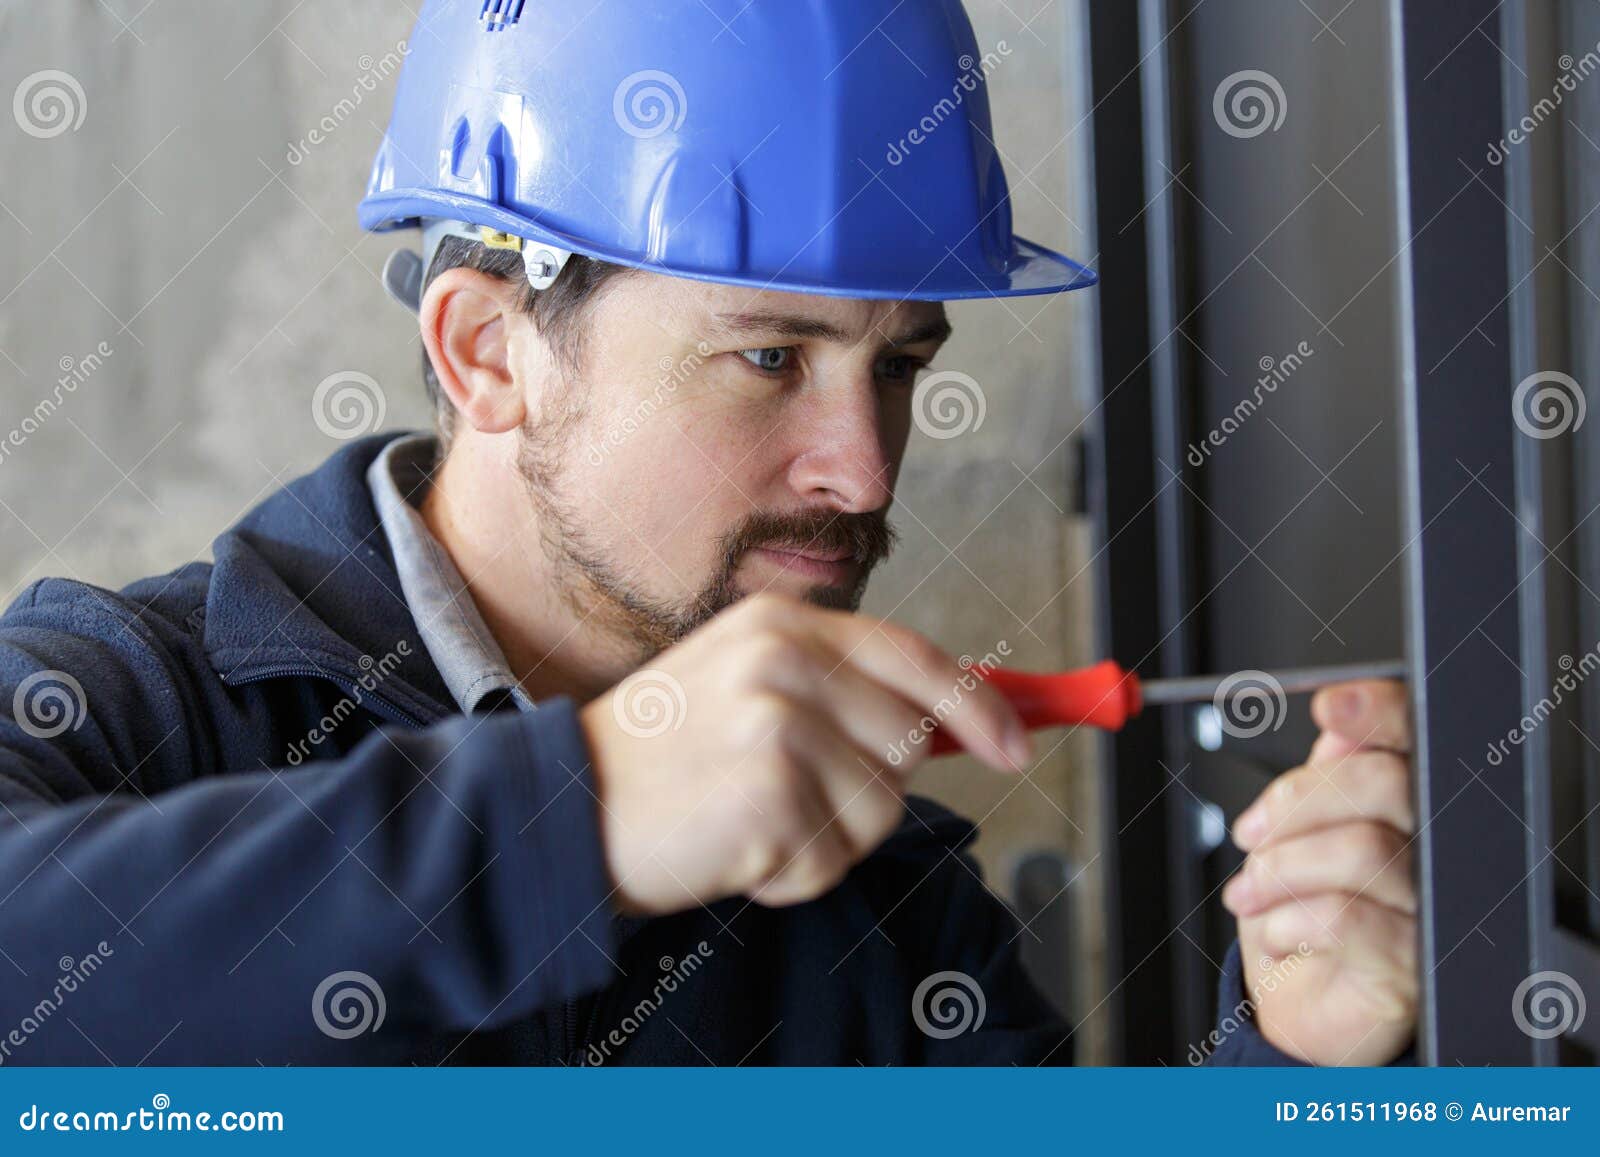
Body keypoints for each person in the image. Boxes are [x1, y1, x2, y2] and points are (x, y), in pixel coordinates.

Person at [0, 0, 1415, 1065]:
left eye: (899, 367)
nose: (863, 471)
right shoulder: (125, 704)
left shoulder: (881, 896)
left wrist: (1301, 1070)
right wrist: (580, 818)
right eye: (770, 358)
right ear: (489, 351)